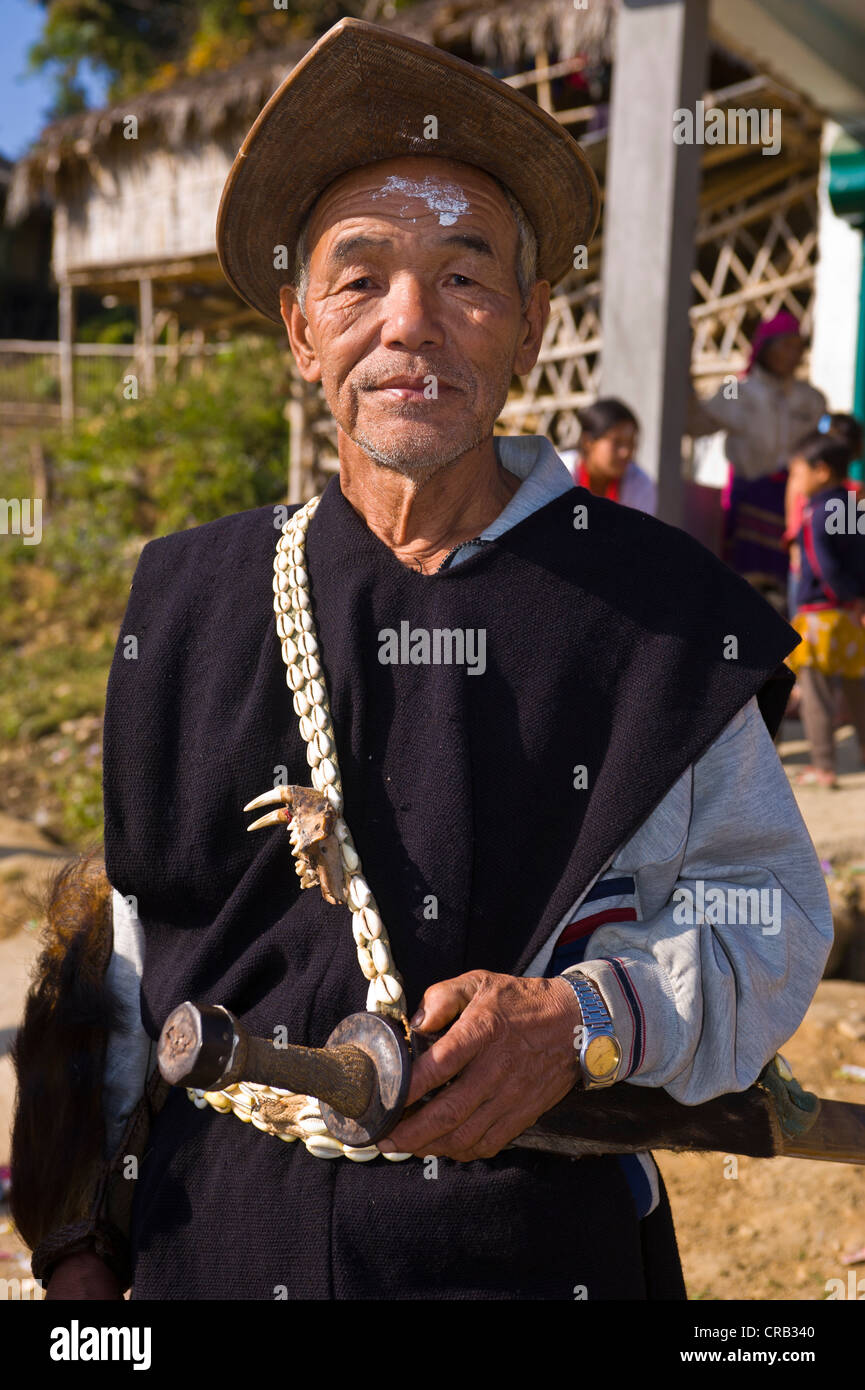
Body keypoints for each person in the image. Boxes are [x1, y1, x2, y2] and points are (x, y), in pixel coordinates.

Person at [13, 18, 832, 1302]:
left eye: (464, 278)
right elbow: (123, 961)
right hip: (205, 1253)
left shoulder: (658, 618)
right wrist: (73, 1248)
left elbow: (768, 915)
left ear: (529, 324)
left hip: (533, 1255)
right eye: (358, 279)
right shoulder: (186, 599)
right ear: (299, 330)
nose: (410, 325)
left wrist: (587, 1020)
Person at [690, 312, 826, 609]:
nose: (792, 354)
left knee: (790, 587)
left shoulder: (811, 401)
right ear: (766, 348)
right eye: (784, 345)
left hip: (793, 506)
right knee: (746, 590)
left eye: (797, 346)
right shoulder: (737, 392)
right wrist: (682, 380)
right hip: (750, 503)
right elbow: (696, 424)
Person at [786, 432, 865, 788]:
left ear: (820, 471)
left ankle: (824, 765)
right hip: (852, 614)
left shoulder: (813, 511)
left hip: (820, 615)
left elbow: (820, 564)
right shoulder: (853, 507)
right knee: (856, 686)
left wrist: (836, 596)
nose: (795, 481)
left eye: (797, 472)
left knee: (815, 691)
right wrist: (856, 600)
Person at [559, 398, 657, 514]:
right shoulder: (558, 474)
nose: (625, 452)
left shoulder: (640, 485)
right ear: (588, 442)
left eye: (631, 443)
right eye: (617, 443)